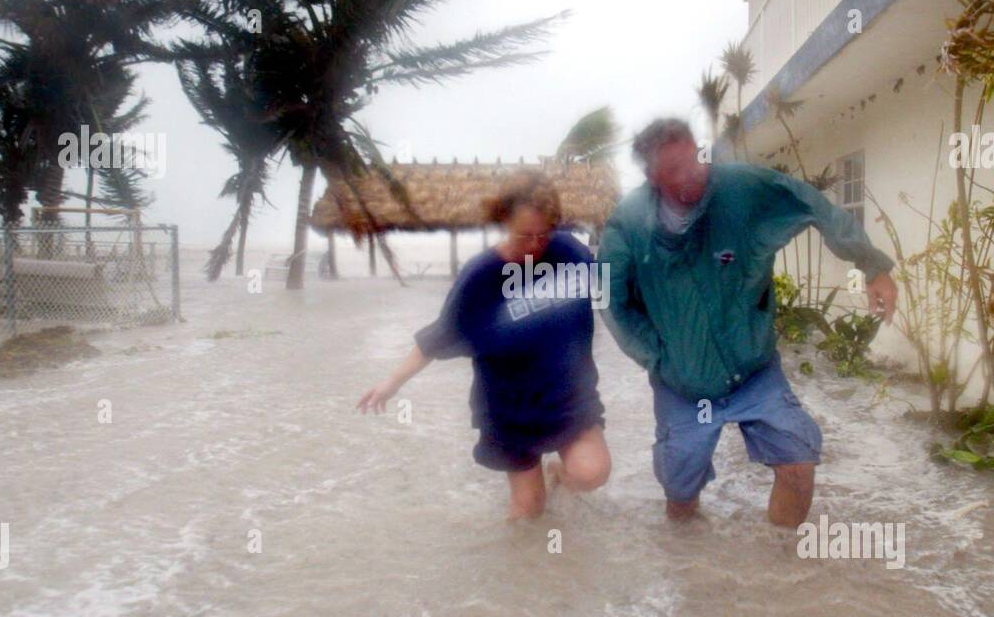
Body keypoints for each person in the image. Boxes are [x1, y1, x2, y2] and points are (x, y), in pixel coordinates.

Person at [598, 118, 898, 525]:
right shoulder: (628, 224)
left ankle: (777, 577)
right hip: (683, 387)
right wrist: (658, 356)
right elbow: (609, 300)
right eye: (675, 170)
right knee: (682, 502)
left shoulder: (742, 189)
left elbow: (812, 204)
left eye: (695, 160)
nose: (693, 175)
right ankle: (695, 578)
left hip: (755, 372)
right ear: (652, 177)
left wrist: (872, 265)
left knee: (798, 468)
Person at [357, 171, 611, 519]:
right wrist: (391, 383)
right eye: (526, 235)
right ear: (504, 220)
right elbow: (439, 335)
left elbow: (617, 288)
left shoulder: (569, 252)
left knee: (592, 473)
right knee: (528, 512)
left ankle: (558, 475)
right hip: (509, 407)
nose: (537, 243)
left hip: (567, 397)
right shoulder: (481, 276)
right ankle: (518, 571)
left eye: (544, 233)